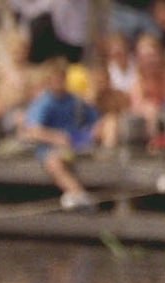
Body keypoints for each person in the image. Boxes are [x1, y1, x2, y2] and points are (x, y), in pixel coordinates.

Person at [21, 55, 100, 208]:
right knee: (54, 162)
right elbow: (32, 130)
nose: (59, 81)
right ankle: (79, 195)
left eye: (61, 77)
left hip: (76, 145)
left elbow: (94, 119)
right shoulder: (44, 102)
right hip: (50, 149)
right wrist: (55, 137)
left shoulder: (74, 100)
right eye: (55, 77)